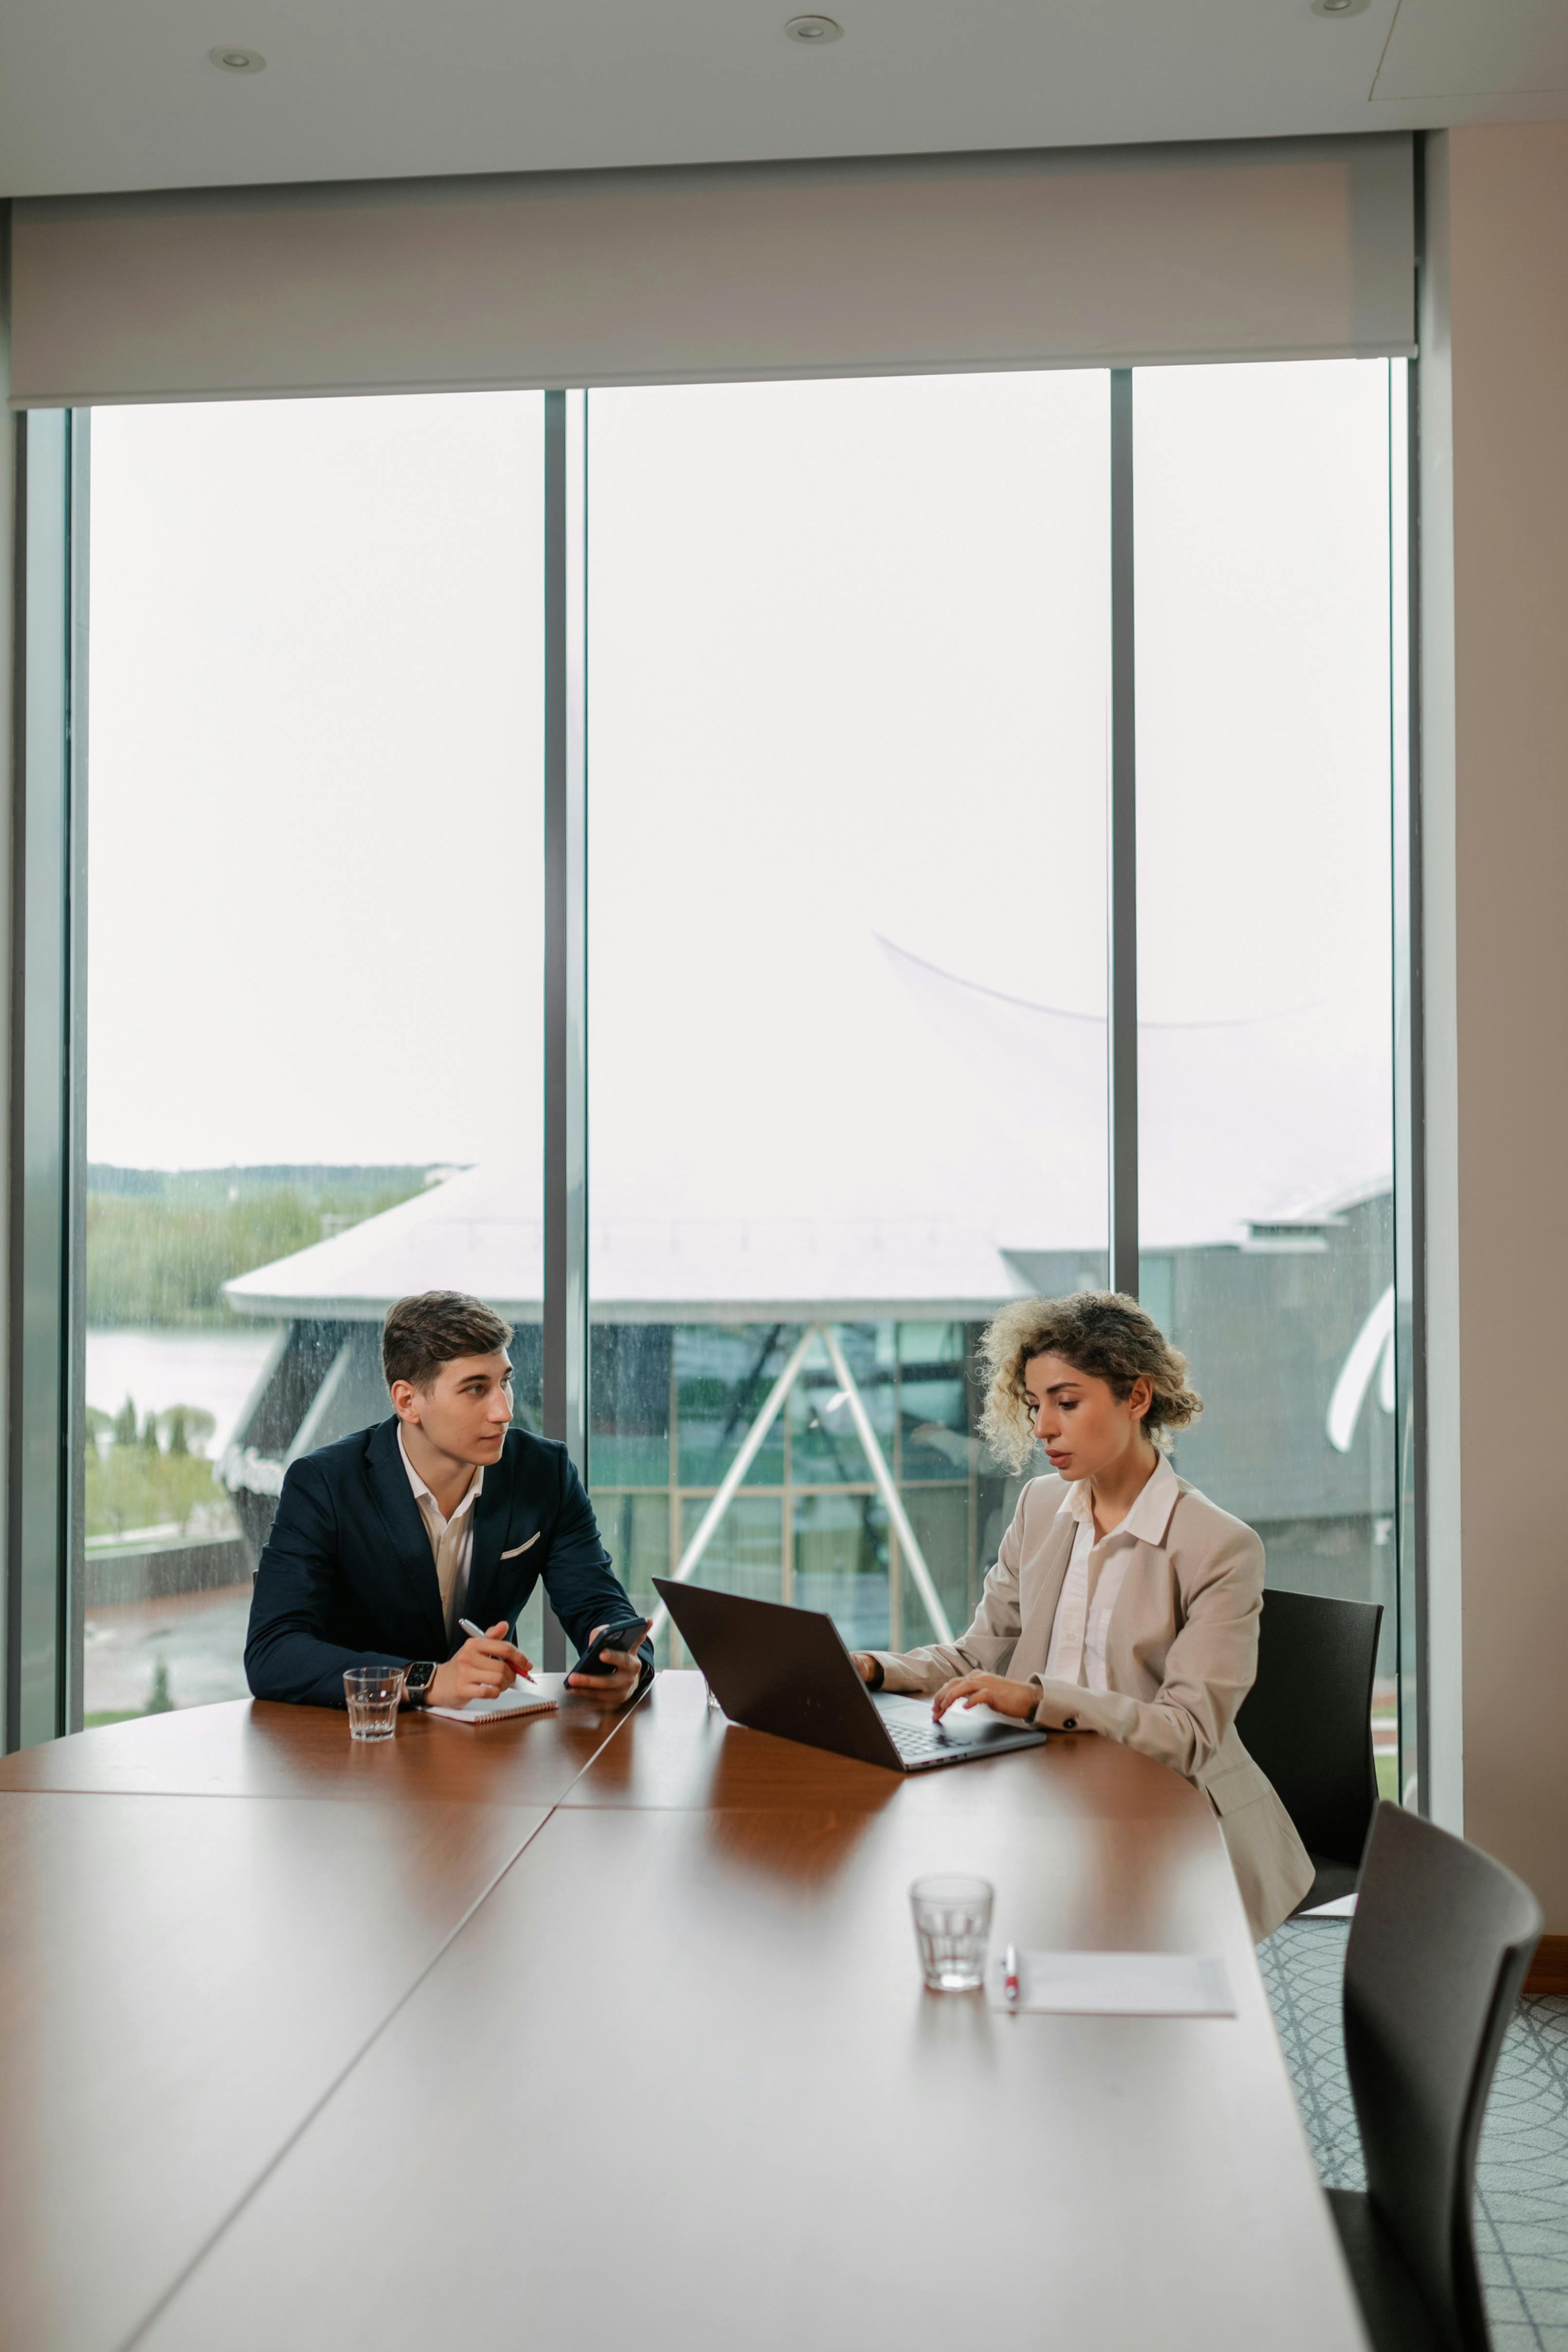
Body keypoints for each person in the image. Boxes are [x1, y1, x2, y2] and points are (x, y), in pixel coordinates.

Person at [850, 1293, 1313, 1940]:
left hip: (1170, 1815)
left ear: (1136, 1397)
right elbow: (977, 1656)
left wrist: (1036, 1698)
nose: (1043, 1426)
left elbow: (1185, 1732)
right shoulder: (1040, 1506)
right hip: (1050, 1788)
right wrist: (875, 1666)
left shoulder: (1219, 1544)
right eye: (1035, 1404)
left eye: (1066, 1402)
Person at [244, 1290, 653, 1713]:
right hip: (358, 1744)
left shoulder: (545, 1472)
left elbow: (598, 1602)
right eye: (476, 1389)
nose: (504, 1411)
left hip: (488, 1744)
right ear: (408, 1401)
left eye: (505, 1382)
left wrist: (627, 1662)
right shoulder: (325, 1484)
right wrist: (428, 1679)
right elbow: (273, 1652)